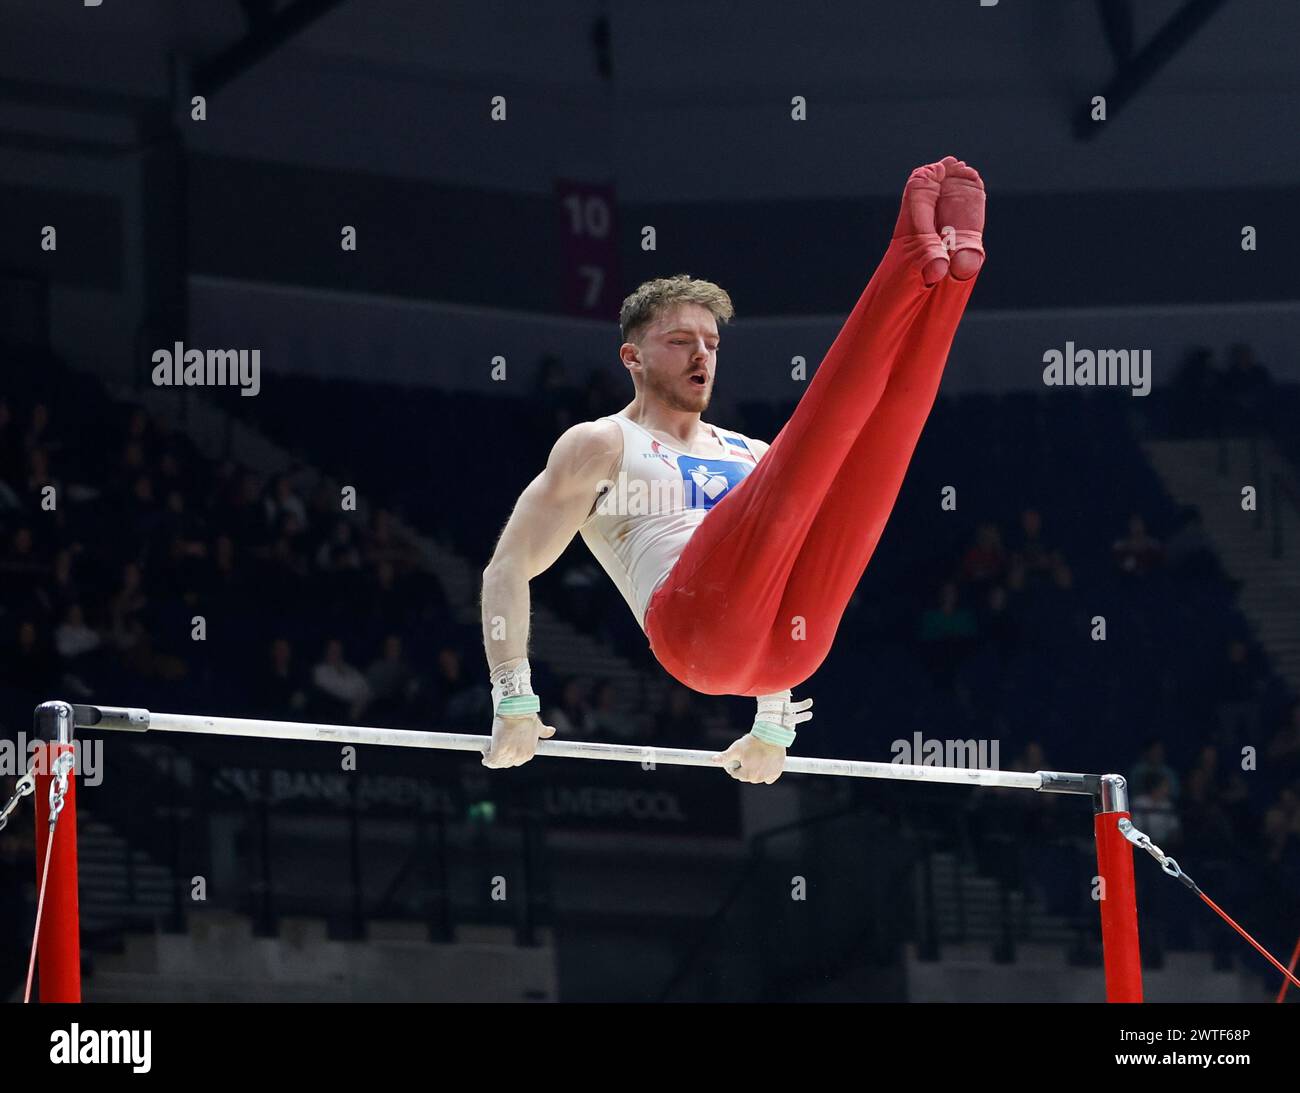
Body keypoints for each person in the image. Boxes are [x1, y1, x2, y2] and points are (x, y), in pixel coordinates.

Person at [480, 157, 985, 783]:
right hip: (694, 632)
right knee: (823, 443)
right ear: (632, 358)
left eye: (712, 344)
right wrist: (514, 698)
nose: (702, 355)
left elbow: (777, 556)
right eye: (681, 341)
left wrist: (773, 729)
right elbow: (507, 566)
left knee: (879, 447)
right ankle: (908, 260)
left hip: (791, 652)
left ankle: (950, 278)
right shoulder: (601, 444)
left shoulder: (752, 452)